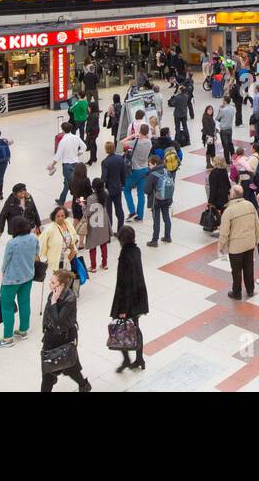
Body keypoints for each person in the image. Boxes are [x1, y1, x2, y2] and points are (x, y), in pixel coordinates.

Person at [40, 269, 92, 392]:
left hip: (64, 337)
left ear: (62, 285)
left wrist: (53, 302)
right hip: (51, 336)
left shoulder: (70, 298)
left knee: (69, 366)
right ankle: (54, 378)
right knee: (48, 369)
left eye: (53, 282)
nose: (50, 284)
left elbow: (58, 320)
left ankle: (83, 385)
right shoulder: (53, 293)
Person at [111, 224, 150, 372]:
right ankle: (139, 358)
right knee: (135, 327)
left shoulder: (124, 256)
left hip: (127, 300)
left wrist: (122, 309)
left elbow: (124, 284)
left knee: (121, 328)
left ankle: (127, 359)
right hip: (139, 296)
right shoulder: (136, 251)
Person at [0, 218, 39, 347]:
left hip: (12, 279)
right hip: (28, 276)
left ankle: (7, 338)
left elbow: (6, 261)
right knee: (24, 303)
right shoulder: (34, 238)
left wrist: (3, 271)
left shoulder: (12, 243)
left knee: (7, 307)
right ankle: (23, 330)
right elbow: (37, 253)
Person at [218, 184, 259, 300]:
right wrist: (257, 239)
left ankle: (236, 293)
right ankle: (250, 290)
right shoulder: (250, 205)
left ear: (232, 195)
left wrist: (221, 247)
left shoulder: (228, 211)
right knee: (249, 267)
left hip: (236, 246)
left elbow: (224, 233)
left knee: (236, 271)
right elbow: (257, 224)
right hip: (249, 243)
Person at [145, 151, 177, 247]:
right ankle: (167, 237)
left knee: (156, 220)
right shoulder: (167, 171)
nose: (149, 167)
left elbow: (146, 190)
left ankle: (154, 240)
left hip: (156, 201)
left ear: (154, 164)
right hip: (167, 198)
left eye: (149, 165)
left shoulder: (152, 175)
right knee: (166, 217)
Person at [39, 206, 79, 280]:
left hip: (71, 256)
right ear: (54, 216)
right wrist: (44, 258)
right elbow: (41, 243)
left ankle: (69, 290)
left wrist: (73, 245)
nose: (61, 218)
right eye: (58, 216)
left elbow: (74, 236)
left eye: (62, 216)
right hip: (58, 259)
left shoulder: (67, 223)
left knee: (70, 278)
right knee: (59, 280)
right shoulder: (49, 229)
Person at [81, 179, 112, 272]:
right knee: (103, 243)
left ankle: (93, 266)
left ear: (93, 187)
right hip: (103, 221)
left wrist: (83, 205)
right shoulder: (106, 193)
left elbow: (87, 213)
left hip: (94, 224)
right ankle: (104, 264)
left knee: (92, 245)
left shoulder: (91, 198)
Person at [52, 122, 86, 207]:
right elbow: (84, 147)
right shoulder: (76, 137)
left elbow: (58, 155)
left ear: (63, 130)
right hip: (76, 164)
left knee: (73, 186)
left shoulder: (63, 141)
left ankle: (81, 202)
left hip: (67, 166)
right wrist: (78, 153)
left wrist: (52, 165)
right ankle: (61, 200)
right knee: (68, 183)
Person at [123, 124, 153, 221]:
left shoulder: (135, 142)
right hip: (145, 169)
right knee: (141, 193)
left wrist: (132, 136)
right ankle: (140, 216)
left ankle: (132, 212)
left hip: (135, 169)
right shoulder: (149, 142)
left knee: (127, 190)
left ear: (139, 131)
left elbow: (121, 143)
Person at [101, 140, 128, 232]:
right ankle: (120, 229)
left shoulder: (105, 162)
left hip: (108, 189)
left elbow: (104, 177)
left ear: (106, 150)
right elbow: (123, 173)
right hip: (118, 187)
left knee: (109, 211)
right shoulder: (120, 158)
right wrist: (123, 184)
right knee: (119, 209)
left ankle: (109, 232)